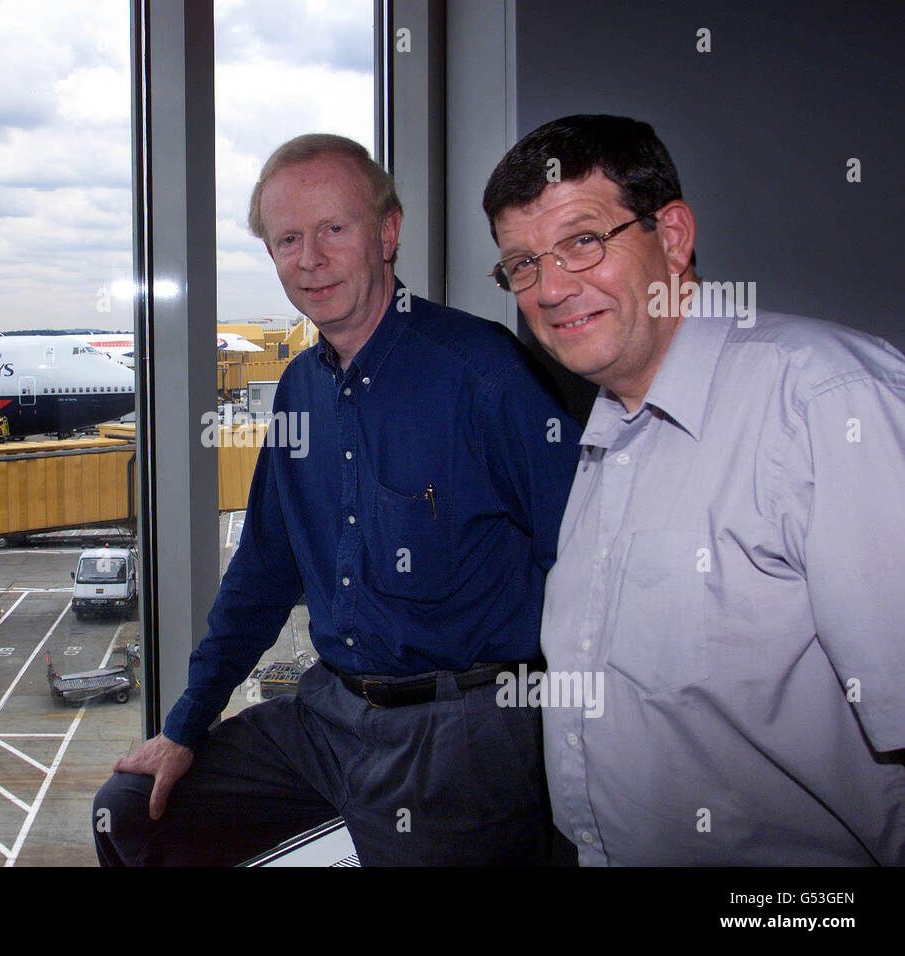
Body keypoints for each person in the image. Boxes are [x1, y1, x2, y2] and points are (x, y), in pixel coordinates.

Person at [93, 134, 581, 866]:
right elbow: (262, 573)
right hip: (331, 717)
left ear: (388, 232)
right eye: (288, 238)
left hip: (455, 737)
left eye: (333, 229)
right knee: (130, 814)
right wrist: (185, 725)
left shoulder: (487, 376)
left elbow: (585, 574)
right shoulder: (299, 389)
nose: (310, 258)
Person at [482, 114, 905, 865]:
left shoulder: (823, 400)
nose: (550, 288)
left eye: (583, 241)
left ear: (673, 236)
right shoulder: (605, 431)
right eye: (521, 264)